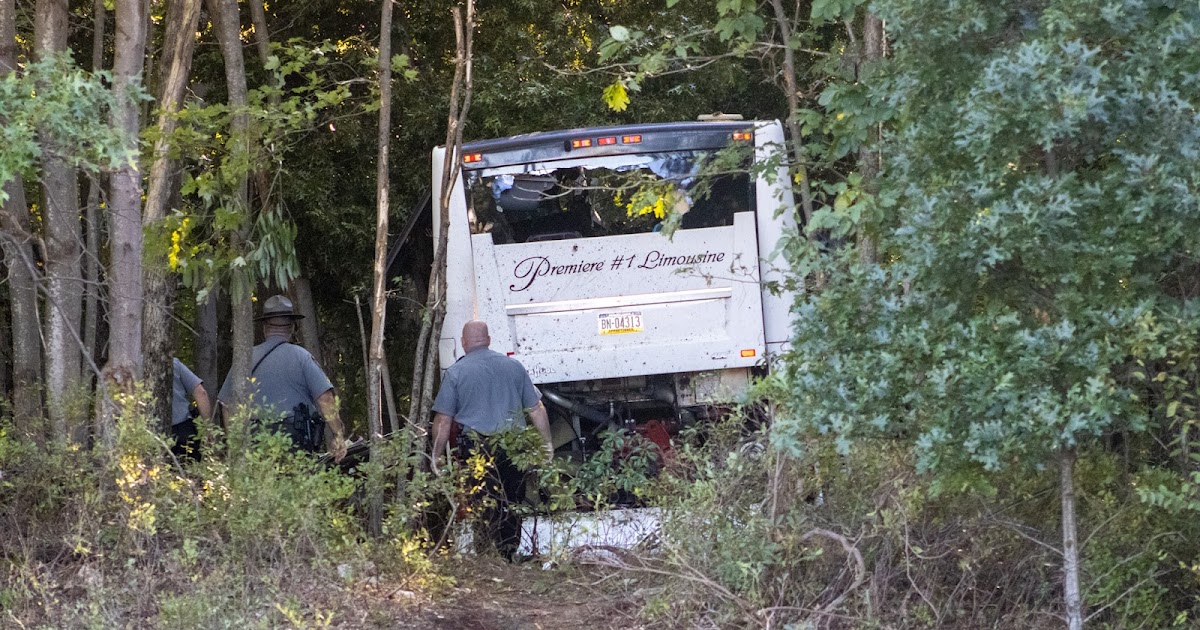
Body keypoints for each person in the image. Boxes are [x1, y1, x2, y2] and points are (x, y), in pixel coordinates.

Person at [431, 320, 555, 561]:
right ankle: (508, 553)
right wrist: (547, 443)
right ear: (488, 340)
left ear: (464, 343)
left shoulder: (456, 373)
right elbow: (536, 409)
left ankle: (486, 554)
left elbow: (443, 420)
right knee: (512, 500)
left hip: (477, 448)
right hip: (514, 446)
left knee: (481, 500)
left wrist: (436, 456)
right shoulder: (514, 367)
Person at [218, 295, 347, 462]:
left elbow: (227, 404)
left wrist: (235, 445)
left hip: (255, 439)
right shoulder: (302, 357)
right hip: (295, 440)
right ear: (292, 327)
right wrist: (338, 434)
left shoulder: (244, 359)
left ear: (264, 326)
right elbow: (325, 399)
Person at [171, 357, 212, 461]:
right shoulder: (173, 363)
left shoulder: (131, 364)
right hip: (183, 431)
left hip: (149, 433)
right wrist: (207, 428)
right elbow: (201, 393)